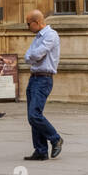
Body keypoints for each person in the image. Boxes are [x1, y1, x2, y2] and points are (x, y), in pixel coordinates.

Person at [22, 10, 62, 161]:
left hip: (43, 79)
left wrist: (32, 57)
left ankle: (55, 138)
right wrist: (32, 57)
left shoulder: (51, 35)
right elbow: (28, 56)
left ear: (37, 22)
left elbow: (36, 55)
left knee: (34, 114)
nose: (27, 27)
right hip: (34, 78)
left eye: (28, 23)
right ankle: (40, 150)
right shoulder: (38, 37)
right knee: (32, 117)